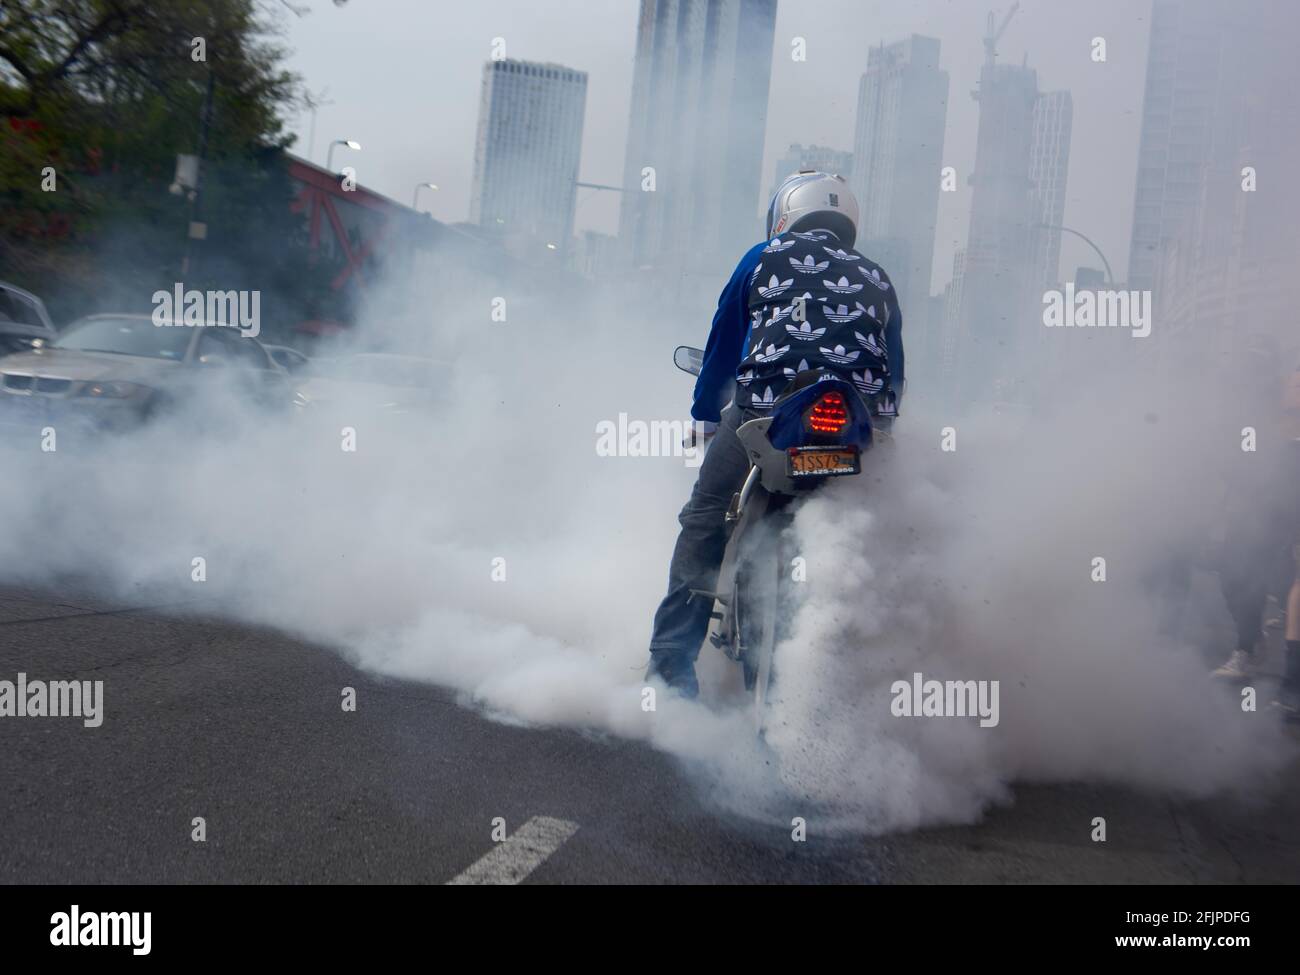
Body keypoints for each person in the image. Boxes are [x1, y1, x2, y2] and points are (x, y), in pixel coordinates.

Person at [644, 171, 905, 696]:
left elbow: (724, 346)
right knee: (866, 533)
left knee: (706, 513)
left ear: (784, 215)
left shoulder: (762, 256)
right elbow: (895, 370)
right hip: (852, 420)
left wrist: (704, 416)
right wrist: (883, 426)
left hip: (766, 406)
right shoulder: (877, 275)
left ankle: (670, 666)